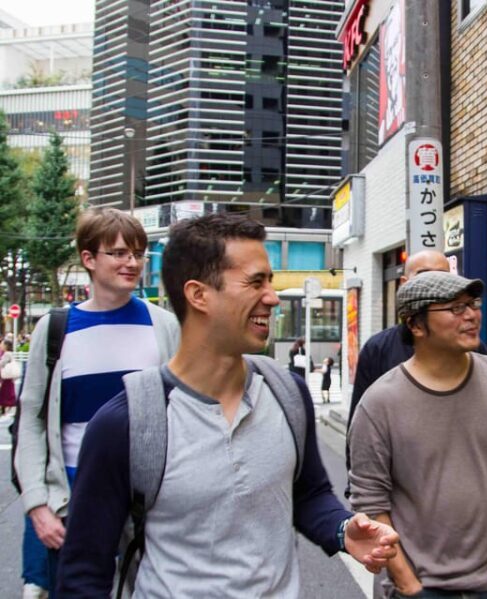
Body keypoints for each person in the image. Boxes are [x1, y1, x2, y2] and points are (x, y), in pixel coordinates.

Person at [56, 213, 399, 596]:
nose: (272, 297)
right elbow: (84, 573)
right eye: (255, 282)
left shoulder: (286, 393)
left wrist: (342, 529)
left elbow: (308, 494)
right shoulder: (126, 422)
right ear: (198, 294)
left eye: (269, 281)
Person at [14, 208, 180, 595]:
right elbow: (32, 421)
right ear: (88, 259)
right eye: (119, 253)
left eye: (138, 253)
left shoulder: (164, 326)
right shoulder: (54, 329)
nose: (132, 262)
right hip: (72, 496)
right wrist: (38, 505)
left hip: (146, 500)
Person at [350, 271, 487, 598]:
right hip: (416, 586)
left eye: (472, 304)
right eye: (454, 308)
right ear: (416, 324)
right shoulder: (379, 403)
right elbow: (370, 501)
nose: (470, 315)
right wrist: (409, 585)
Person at [344, 250, 487, 492]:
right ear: (404, 284)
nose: (435, 281)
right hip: (398, 495)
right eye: (424, 274)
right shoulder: (378, 349)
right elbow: (359, 432)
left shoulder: (476, 352)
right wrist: (362, 495)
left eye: (442, 275)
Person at [0, 339, 16, 415]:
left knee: (6, 392)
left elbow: (1, 363)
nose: (1, 345)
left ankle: (6, 407)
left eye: (2, 344)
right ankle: (6, 408)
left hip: (6, 376)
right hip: (8, 376)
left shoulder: (7, 354)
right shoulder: (9, 353)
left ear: (6, 346)